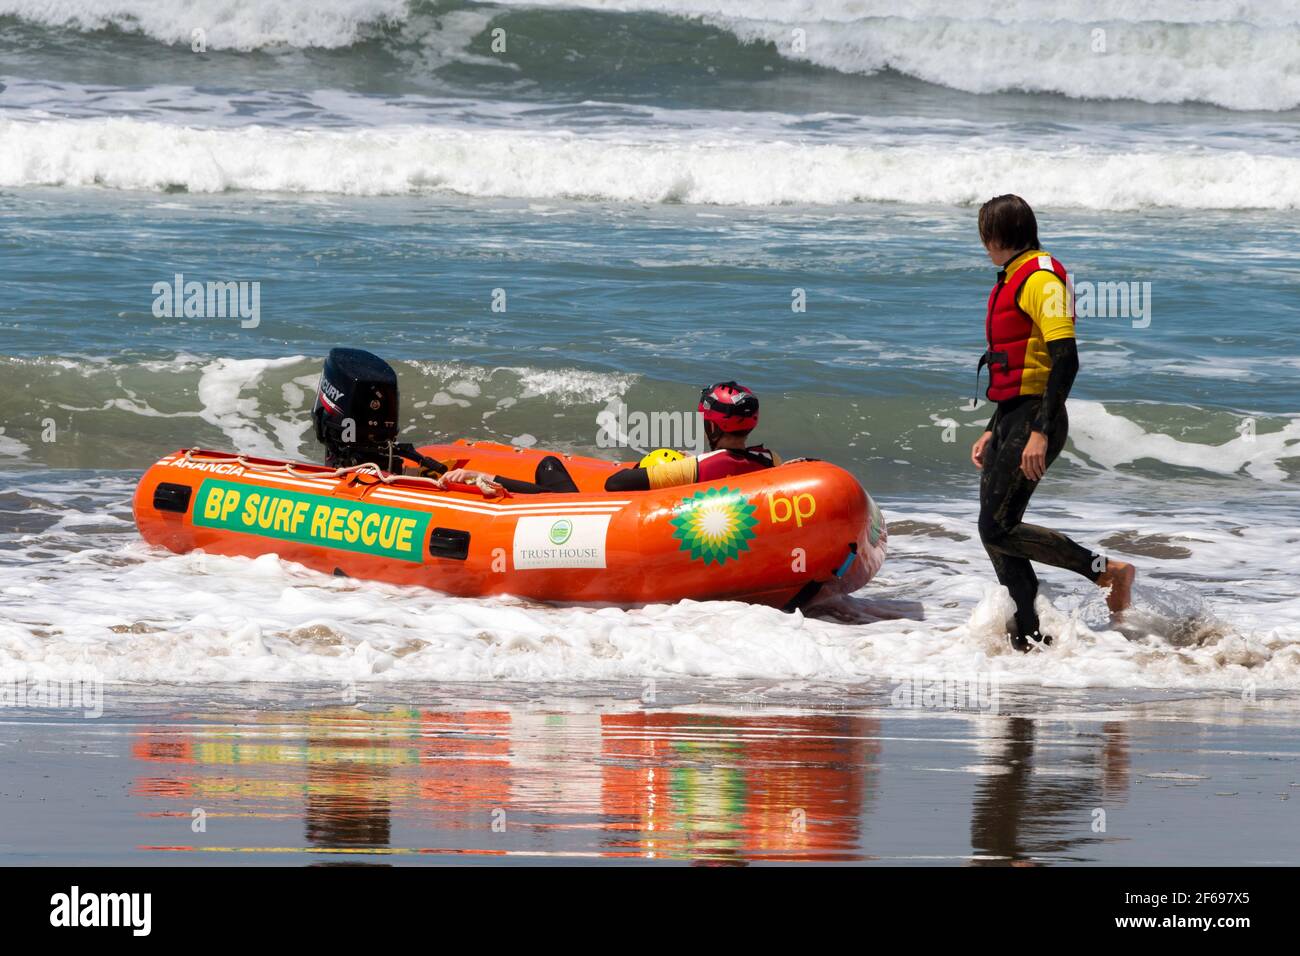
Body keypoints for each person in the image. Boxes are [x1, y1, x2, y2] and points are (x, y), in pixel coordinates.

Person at [970, 194, 1135, 651]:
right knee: (995, 531)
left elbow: (1065, 360)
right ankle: (1027, 634)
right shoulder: (1014, 278)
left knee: (997, 527)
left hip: (1037, 418)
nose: (983, 245)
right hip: (1012, 415)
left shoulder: (1041, 281)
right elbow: (1021, 368)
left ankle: (1105, 571)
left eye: (984, 235)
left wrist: (1039, 431)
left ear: (996, 236)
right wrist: (993, 426)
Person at [604, 382, 779, 491]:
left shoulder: (696, 468)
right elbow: (731, 466)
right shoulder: (770, 459)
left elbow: (615, 482)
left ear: (711, 426)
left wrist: (690, 465)